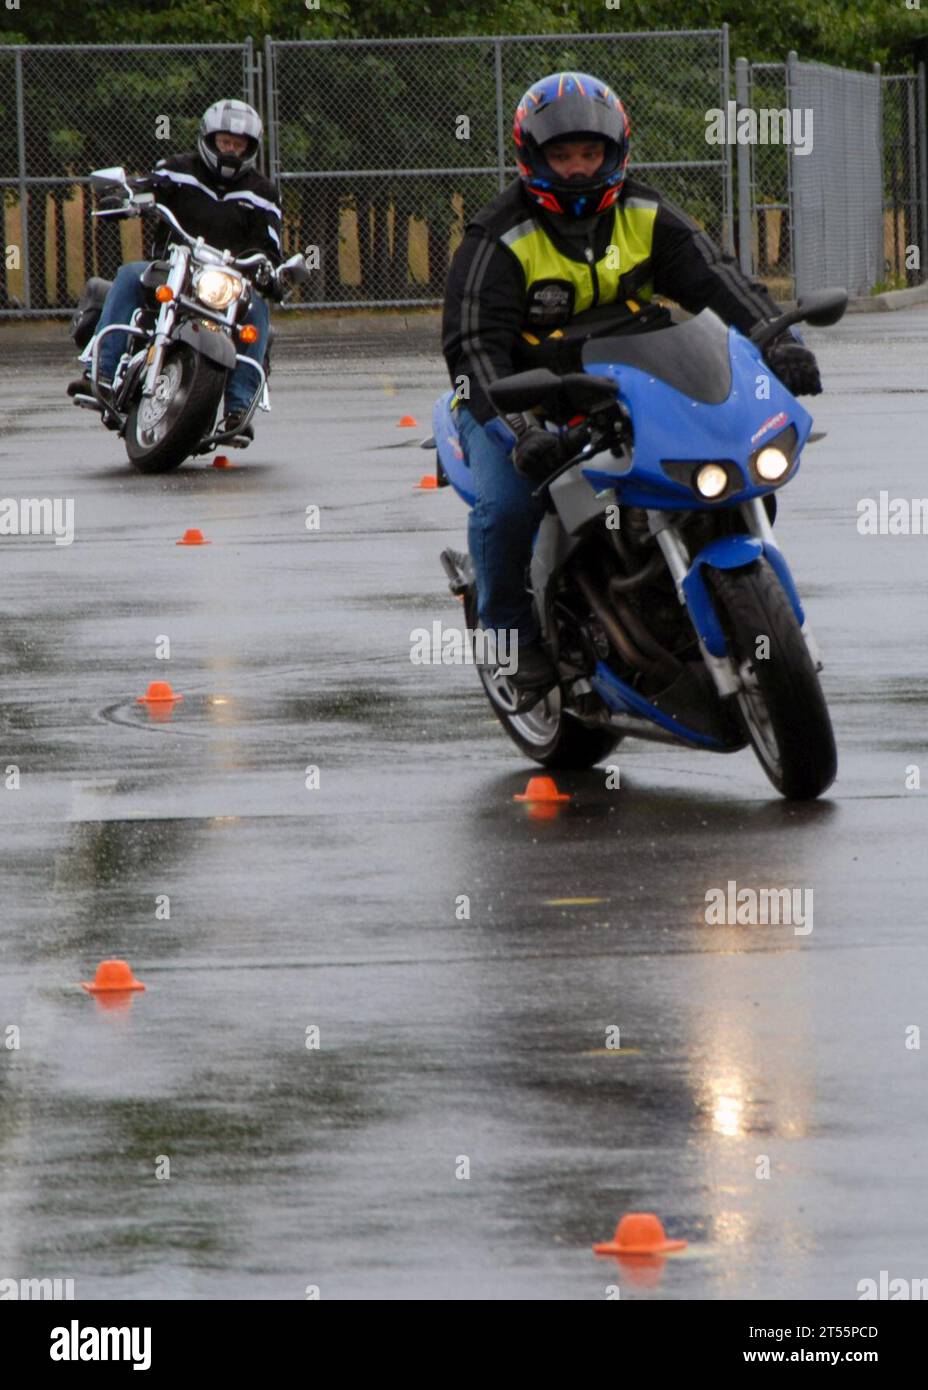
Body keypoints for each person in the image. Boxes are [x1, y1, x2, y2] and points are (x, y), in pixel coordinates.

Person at [442, 71, 822, 693]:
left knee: (732, 460)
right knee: (511, 504)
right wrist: (517, 430)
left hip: (628, 384)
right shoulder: (498, 237)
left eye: (589, 153)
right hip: (519, 396)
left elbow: (717, 281)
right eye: (561, 156)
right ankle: (507, 636)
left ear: (614, 151)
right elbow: (472, 349)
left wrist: (778, 342)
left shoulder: (645, 213)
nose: (576, 169)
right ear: (532, 158)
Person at [69, 99, 283, 438]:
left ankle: (238, 409)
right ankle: (102, 374)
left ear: (250, 148)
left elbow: (270, 246)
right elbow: (148, 187)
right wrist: (128, 198)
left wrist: (269, 270)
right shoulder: (178, 168)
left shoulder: (262, 192)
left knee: (257, 309)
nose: (231, 150)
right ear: (210, 140)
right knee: (128, 275)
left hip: (225, 282)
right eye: (225, 142)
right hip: (174, 266)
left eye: (239, 145)